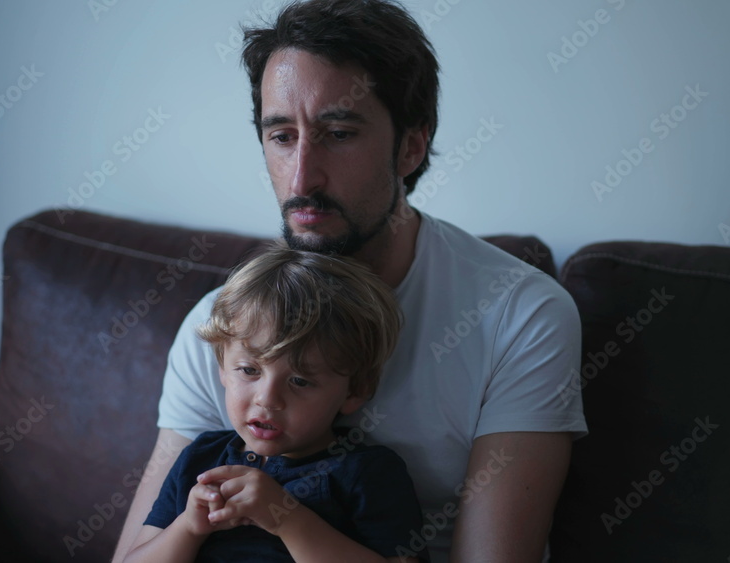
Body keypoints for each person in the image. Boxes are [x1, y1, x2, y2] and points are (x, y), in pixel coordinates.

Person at [114, 1, 588, 561]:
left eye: (338, 133)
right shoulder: (222, 325)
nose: (302, 178)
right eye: (282, 136)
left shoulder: (520, 317)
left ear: (411, 146)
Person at [123, 244, 427, 562]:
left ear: (355, 392)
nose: (267, 398)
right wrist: (188, 527)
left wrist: (286, 519)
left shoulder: (367, 473)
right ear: (222, 368)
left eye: (299, 381)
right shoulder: (199, 461)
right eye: (249, 370)